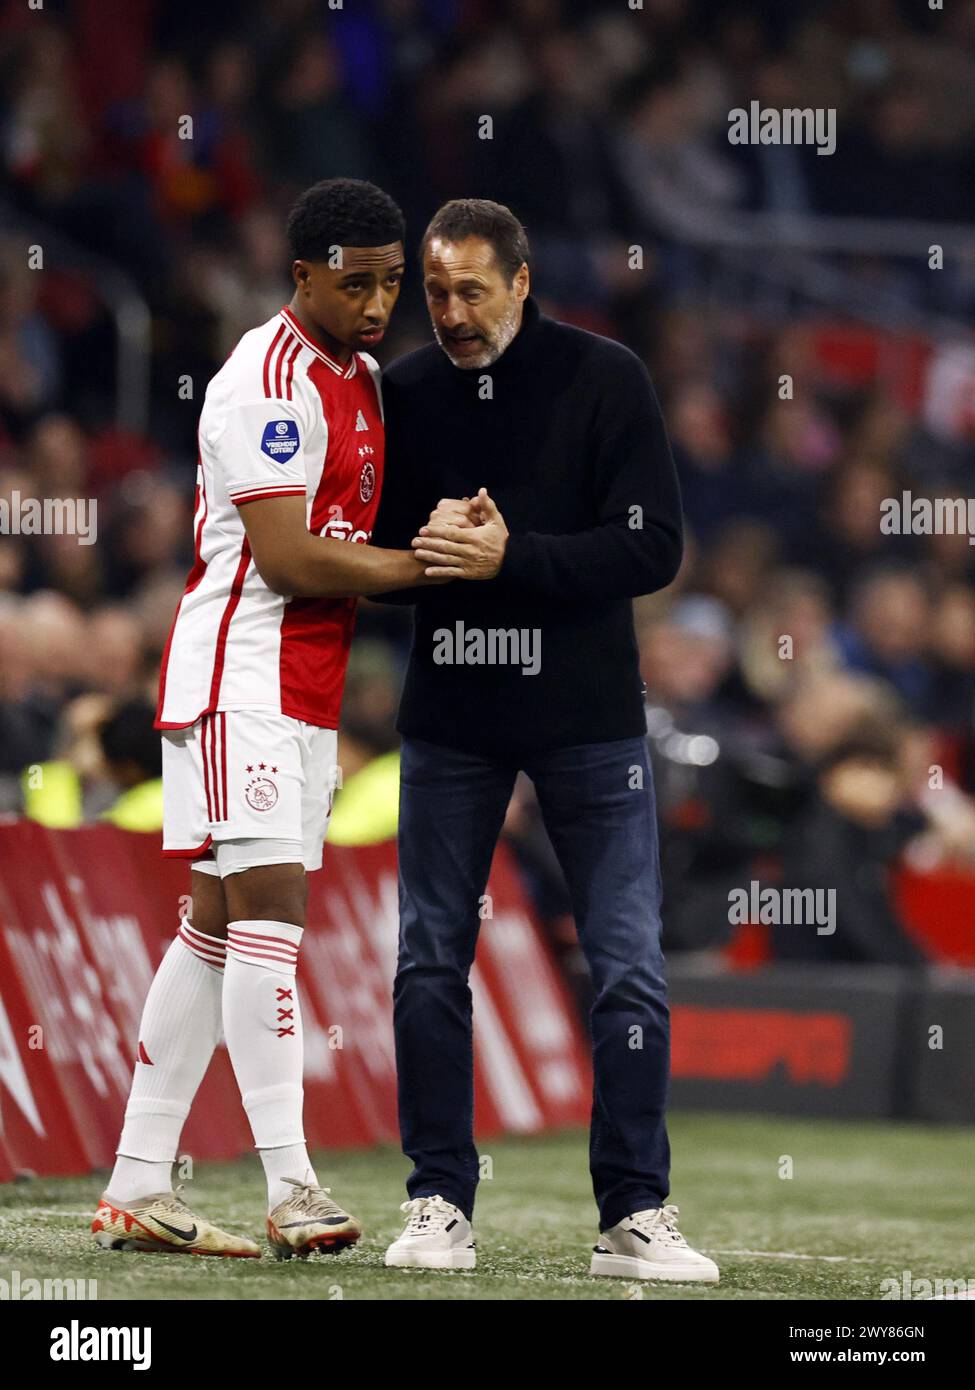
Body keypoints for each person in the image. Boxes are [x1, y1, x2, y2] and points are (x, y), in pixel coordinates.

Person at [92, 178, 444, 1261]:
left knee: (211, 929)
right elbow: (289, 560)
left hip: (305, 690)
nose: (380, 300)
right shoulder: (270, 378)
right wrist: (428, 567)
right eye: (358, 281)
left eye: (393, 281)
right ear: (302, 274)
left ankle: (139, 1182)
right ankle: (290, 1185)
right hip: (240, 676)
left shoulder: (366, 380)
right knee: (270, 925)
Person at [372, 198, 719, 1284]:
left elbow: (653, 545)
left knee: (628, 969)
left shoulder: (606, 376)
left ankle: (634, 1210)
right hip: (452, 719)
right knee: (431, 959)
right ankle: (437, 1199)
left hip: (587, 717)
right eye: (436, 294)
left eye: (473, 290)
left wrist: (509, 559)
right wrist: (428, 553)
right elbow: (377, 545)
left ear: (523, 282)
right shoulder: (407, 391)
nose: (453, 313)